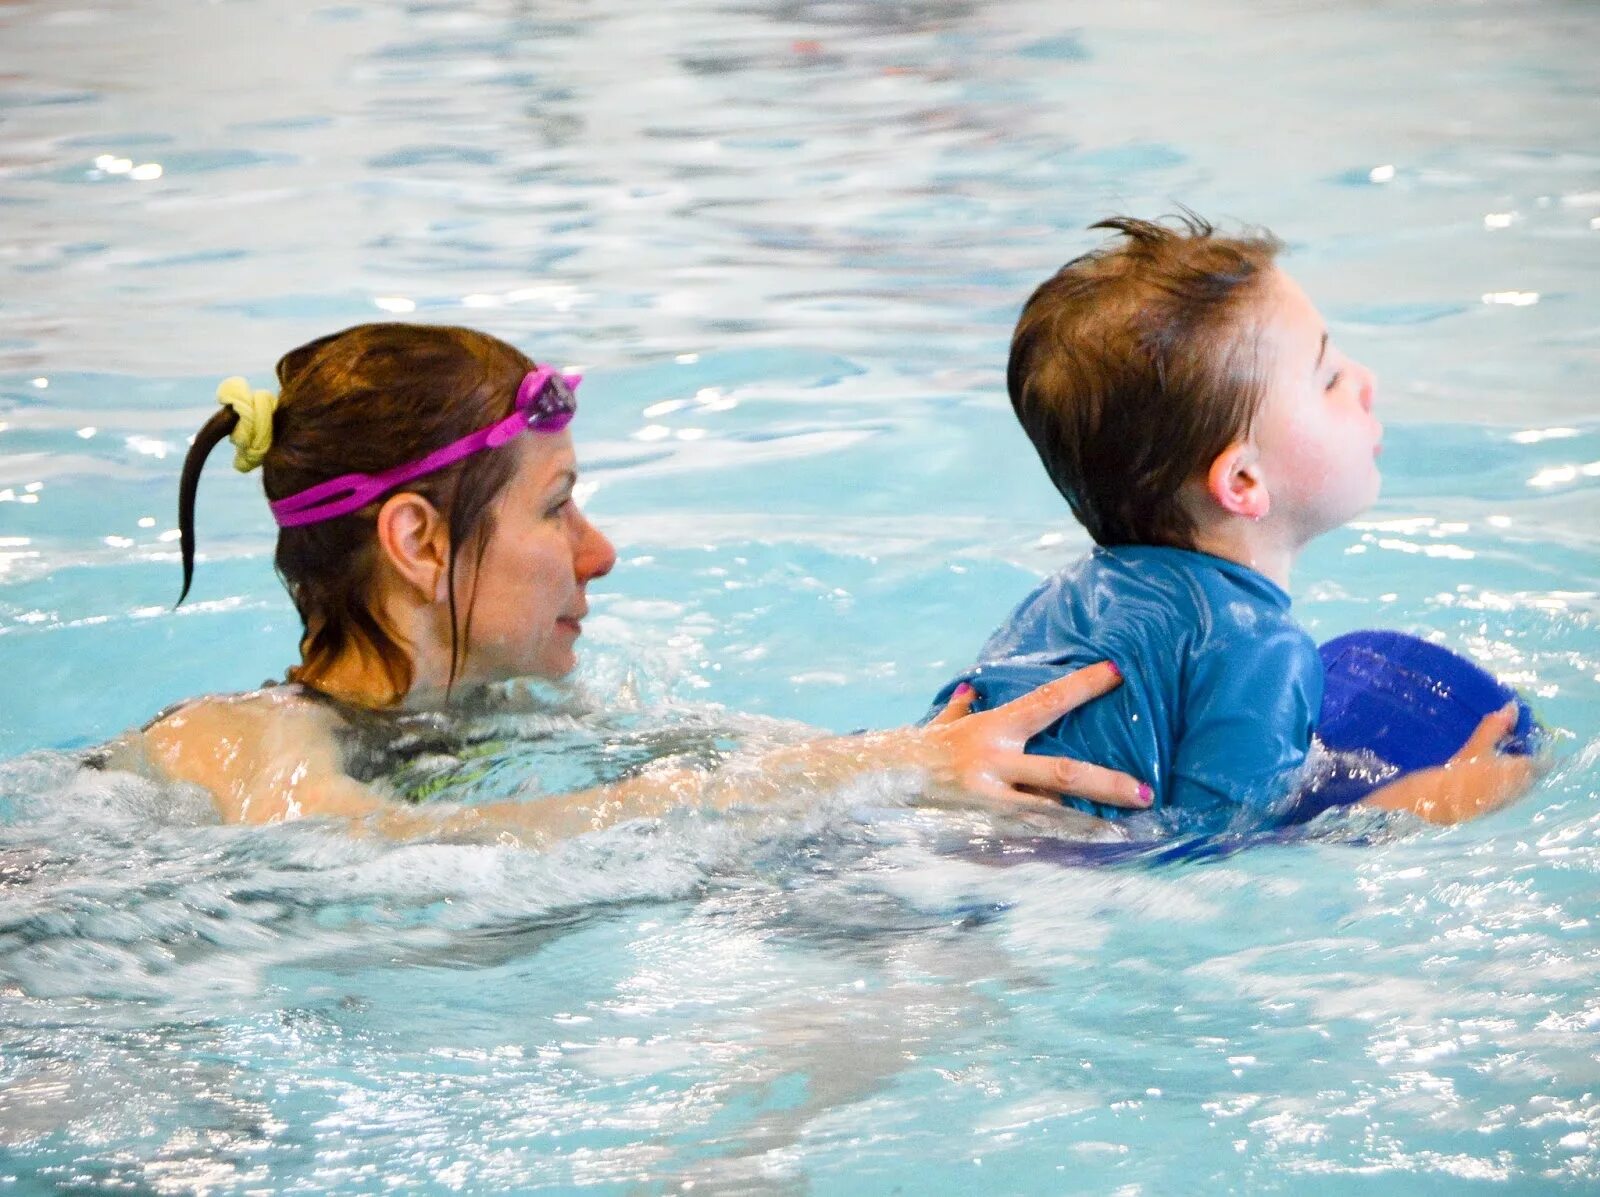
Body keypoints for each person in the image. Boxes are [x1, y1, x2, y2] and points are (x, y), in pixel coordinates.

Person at [101, 323, 1154, 846]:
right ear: (419, 542)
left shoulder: (506, 714)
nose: (597, 552)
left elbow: (713, 761)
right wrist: (840, 780)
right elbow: (375, 854)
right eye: (556, 507)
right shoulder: (235, 742)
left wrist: (920, 768)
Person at [931, 214, 1535, 827]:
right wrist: (1431, 802)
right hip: (1004, 903)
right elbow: (1219, 860)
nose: (1366, 382)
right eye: (1328, 379)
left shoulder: (1059, 601)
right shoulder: (1258, 646)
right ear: (1243, 481)